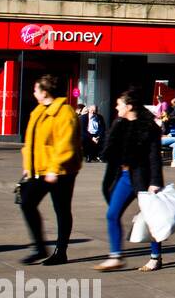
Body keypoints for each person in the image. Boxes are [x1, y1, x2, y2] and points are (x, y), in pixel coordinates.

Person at [96, 87, 164, 272]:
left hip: (143, 178)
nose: (116, 107)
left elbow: (154, 157)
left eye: (119, 104)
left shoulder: (148, 127)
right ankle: (116, 256)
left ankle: (155, 257)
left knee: (151, 219)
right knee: (112, 214)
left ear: (129, 106)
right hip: (124, 177)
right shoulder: (120, 124)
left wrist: (155, 181)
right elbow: (109, 151)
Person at [19, 74, 83, 266]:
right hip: (39, 169)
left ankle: (60, 251)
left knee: (61, 210)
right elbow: (31, 142)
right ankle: (39, 248)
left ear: (44, 92)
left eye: (36, 89)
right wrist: (27, 167)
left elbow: (66, 145)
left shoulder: (65, 113)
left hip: (61, 171)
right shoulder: (38, 111)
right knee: (27, 202)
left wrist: (54, 169)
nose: (33, 92)